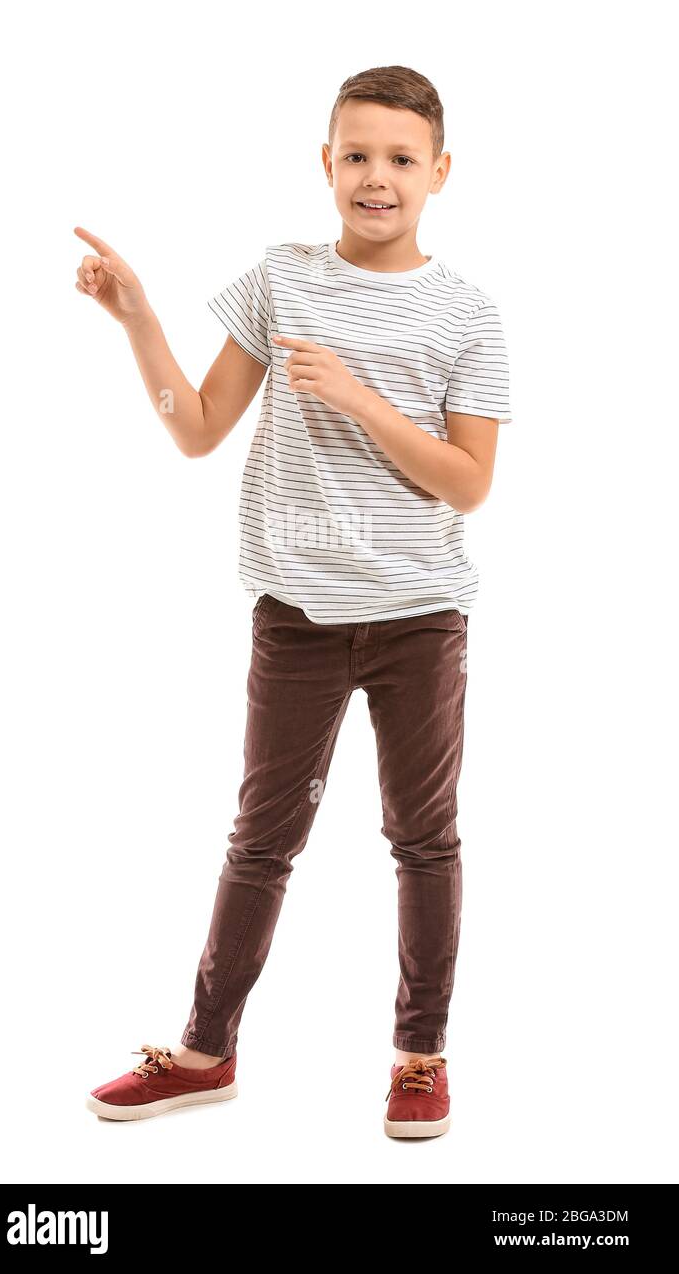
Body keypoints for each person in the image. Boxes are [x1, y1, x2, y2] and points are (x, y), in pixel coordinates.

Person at [79, 64, 512, 1138]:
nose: (376, 177)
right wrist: (137, 319)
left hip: (419, 615)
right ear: (325, 164)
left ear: (438, 173)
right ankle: (203, 1050)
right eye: (356, 155)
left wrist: (359, 398)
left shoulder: (466, 311)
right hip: (296, 614)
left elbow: (469, 481)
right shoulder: (279, 279)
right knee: (260, 835)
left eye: (400, 159)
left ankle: (420, 1057)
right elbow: (195, 427)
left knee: (424, 836)